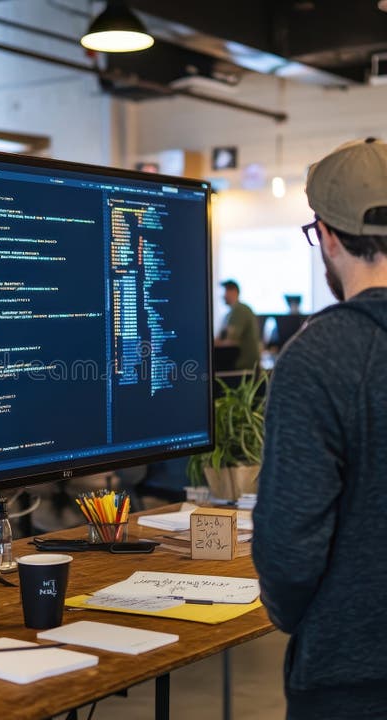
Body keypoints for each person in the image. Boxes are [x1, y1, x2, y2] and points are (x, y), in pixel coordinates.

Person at [252, 137, 387, 720]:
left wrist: (292, 612)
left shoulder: (322, 354)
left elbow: (289, 546)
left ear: (328, 235)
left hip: (355, 676)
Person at [215, 279, 260, 369]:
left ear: (234, 292)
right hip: (239, 365)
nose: (223, 296)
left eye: (226, 291)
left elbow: (230, 341)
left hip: (243, 366)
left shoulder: (240, 309)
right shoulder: (229, 314)